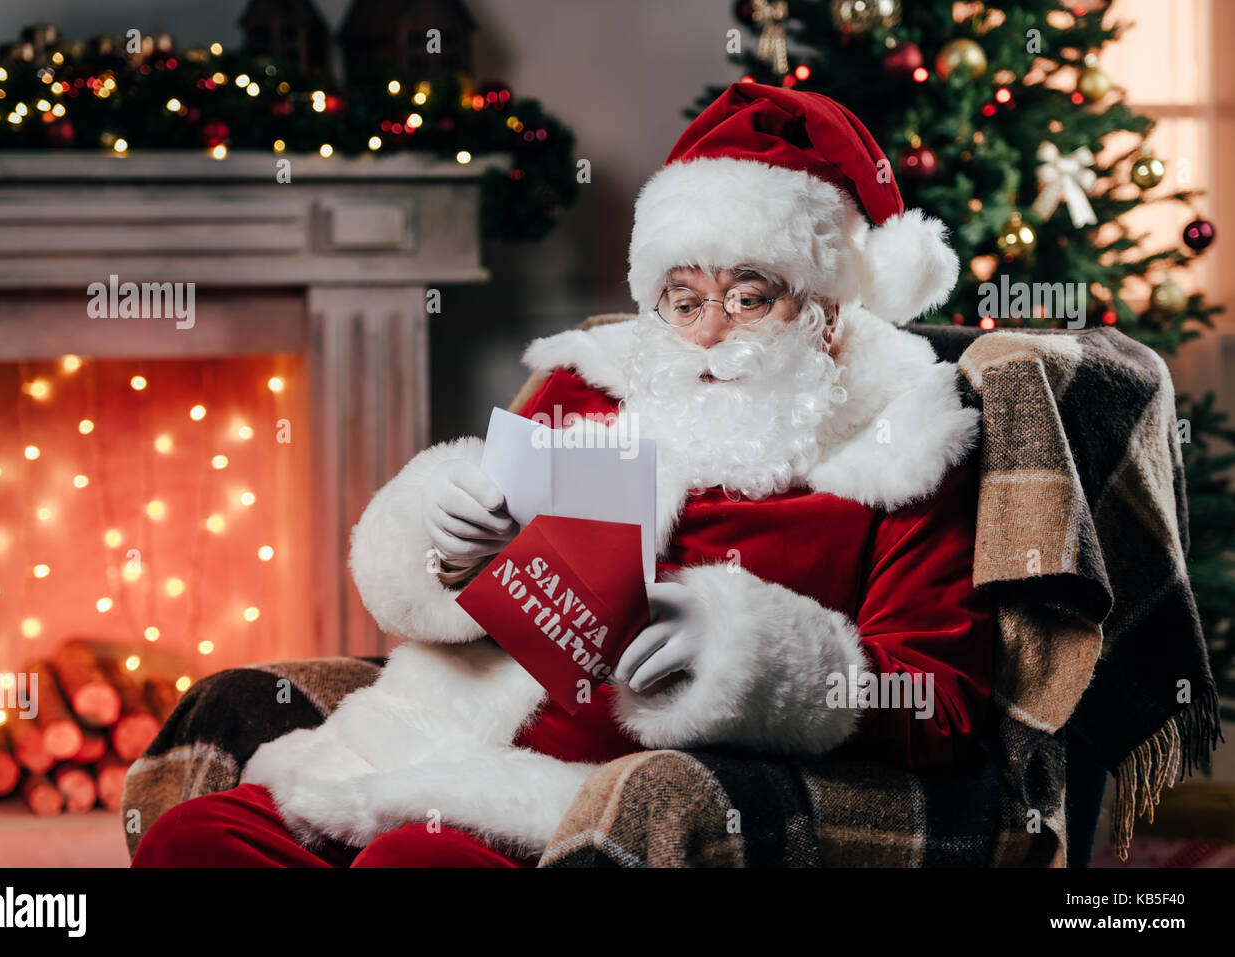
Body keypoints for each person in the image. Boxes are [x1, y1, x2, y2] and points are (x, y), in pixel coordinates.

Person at [132, 81, 993, 869]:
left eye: (751, 295)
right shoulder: (592, 384)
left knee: (414, 865)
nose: (709, 334)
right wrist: (446, 538)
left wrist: (745, 653)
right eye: (684, 300)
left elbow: (942, 705)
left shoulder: (904, 447)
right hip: (411, 746)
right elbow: (434, 581)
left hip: (592, 813)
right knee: (192, 839)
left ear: (830, 310)